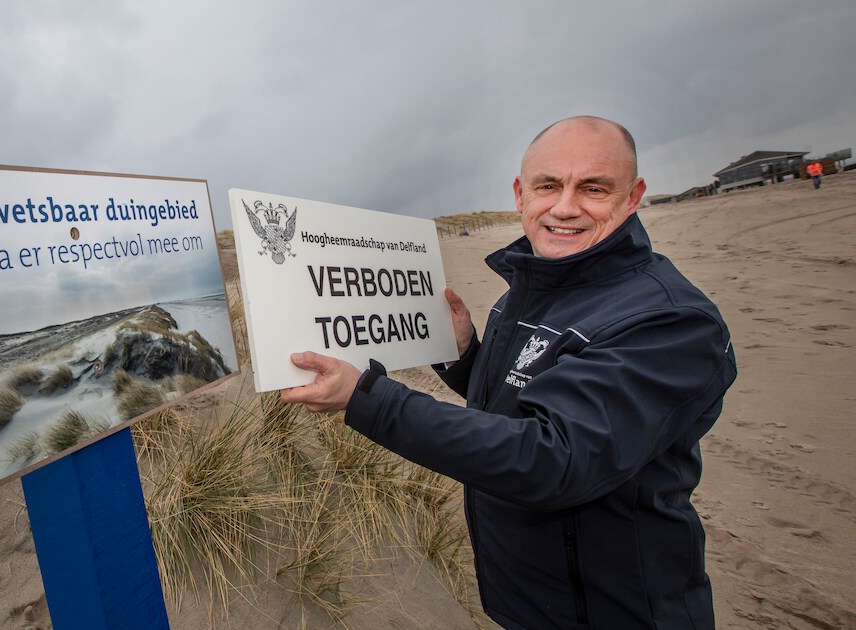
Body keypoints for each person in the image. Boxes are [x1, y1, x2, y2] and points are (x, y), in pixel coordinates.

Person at [281, 116, 737, 629]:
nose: (565, 207)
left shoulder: (671, 321)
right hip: (527, 602)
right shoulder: (532, 287)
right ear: (521, 194)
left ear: (632, 197)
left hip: (616, 611)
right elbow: (519, 400)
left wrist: (367, 398)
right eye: (548, 185)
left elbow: (554, 459)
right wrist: (464, 355)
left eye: (593, 188)